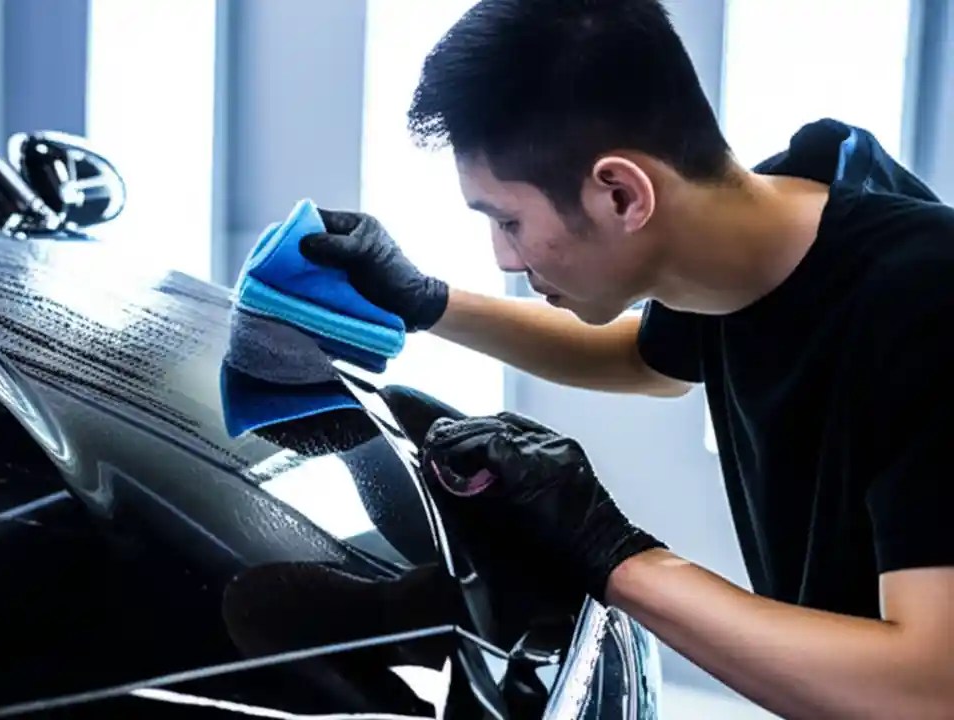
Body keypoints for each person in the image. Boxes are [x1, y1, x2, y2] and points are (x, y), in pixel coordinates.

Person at [296, 0, 954, 717]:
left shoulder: (927, 303)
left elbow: (926, 688)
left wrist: (611, 550)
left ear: (620, 192)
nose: (505, 258)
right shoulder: (768, 224)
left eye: (507, 221)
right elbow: (645, 358)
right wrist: (424, 302)